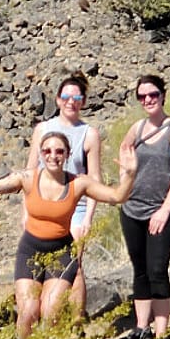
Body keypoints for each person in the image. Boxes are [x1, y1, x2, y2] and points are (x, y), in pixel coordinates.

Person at [0, 129, 136, 339]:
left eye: (59, 151)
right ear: (40, 153)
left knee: (51, 311)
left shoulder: (78, 183)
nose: (53, 156)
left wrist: (131, 175)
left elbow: (117, 196)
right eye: (47, 150)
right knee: (28, 311)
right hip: (30, 250)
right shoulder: (27, 178)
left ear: (68, 154)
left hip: (62, 252)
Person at [119, 75, 170, 339]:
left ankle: (161, 334)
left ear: (163, 95)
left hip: (162, 212)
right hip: (132, 210)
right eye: (142, 96)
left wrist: (164, 210)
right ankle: (141, 328)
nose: (148, 100)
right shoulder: (136, 128)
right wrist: (124, 180)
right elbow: (124, 159)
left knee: (157, 270)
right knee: (140, 271)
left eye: (152, 94)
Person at [26, 73, 102, 321]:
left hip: (76, 208)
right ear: (58, 100)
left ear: (83, 101)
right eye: (67, 97)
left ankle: (76, 322)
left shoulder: (88, 134)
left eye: (77, 97)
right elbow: (30, 173)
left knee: (75, 267)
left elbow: (94, 179)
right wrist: (25, 212)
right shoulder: (43, 130)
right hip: (42, 205)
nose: (72, 101)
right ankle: (46, 316)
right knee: (39, 265)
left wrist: (88, 217)